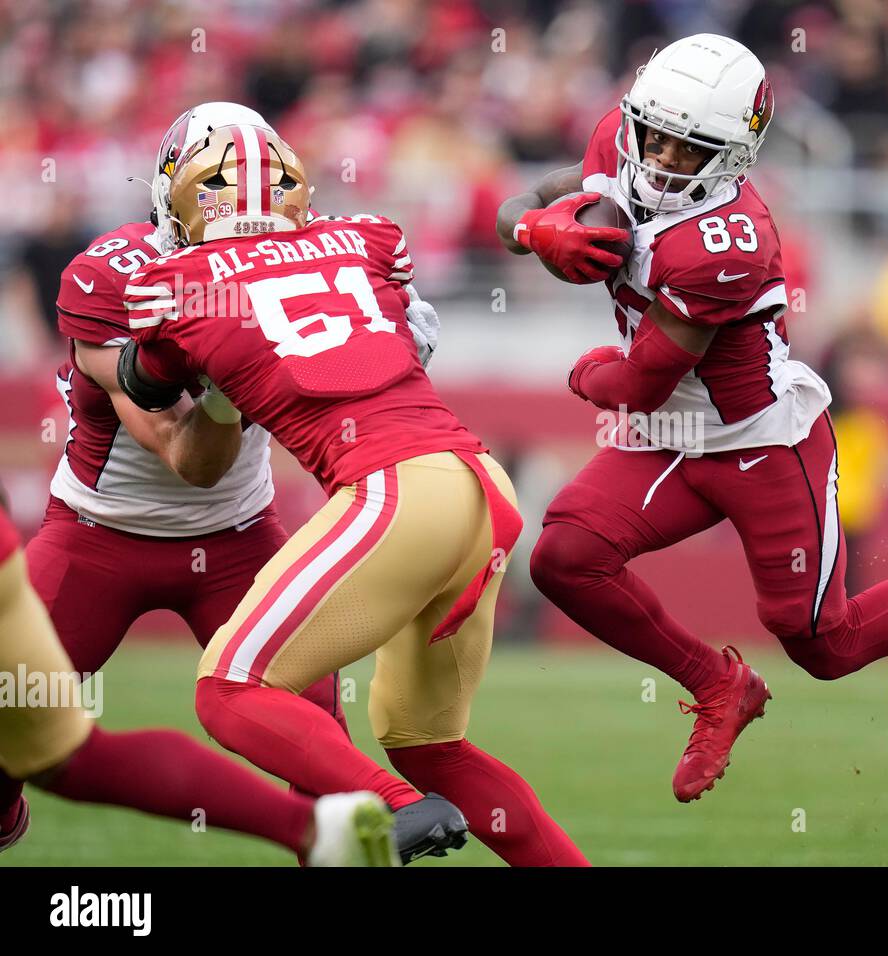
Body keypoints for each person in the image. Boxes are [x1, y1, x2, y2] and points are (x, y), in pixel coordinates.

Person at [498, 33, 888, 803]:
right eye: (652, 137)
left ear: (733, 156)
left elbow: (636, 386)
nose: (658, 161)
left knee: (825, 645)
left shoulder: (726, 243)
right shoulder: (625, 137)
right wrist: (531, 226)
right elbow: (548, 194)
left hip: (759, 440)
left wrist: (580, 372)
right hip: (675, 437)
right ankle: (720, 686)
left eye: (687, 151)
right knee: (563, 557)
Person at [120, 123, 586, 866]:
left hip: (393, 490)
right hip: (477, 484)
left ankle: (395, 810)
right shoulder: (363, 238)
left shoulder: (174, 285)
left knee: (229, 690)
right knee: (429, 744)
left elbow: (144, 380)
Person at [0, 102, 363, 848]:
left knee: (321, 739)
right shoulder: (113, 278)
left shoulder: (303, 258)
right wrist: (229, 390)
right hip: (99, 538)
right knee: (9, 720)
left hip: (238, 539)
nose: (246, 231)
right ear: (176, 199)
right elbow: (185, 455)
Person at [0, 504, 395, 866]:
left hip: (238, 529)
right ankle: (321, 825)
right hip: (92, 527)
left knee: (314, 710)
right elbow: (183, 452)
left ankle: (353, 818)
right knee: (68, 757)